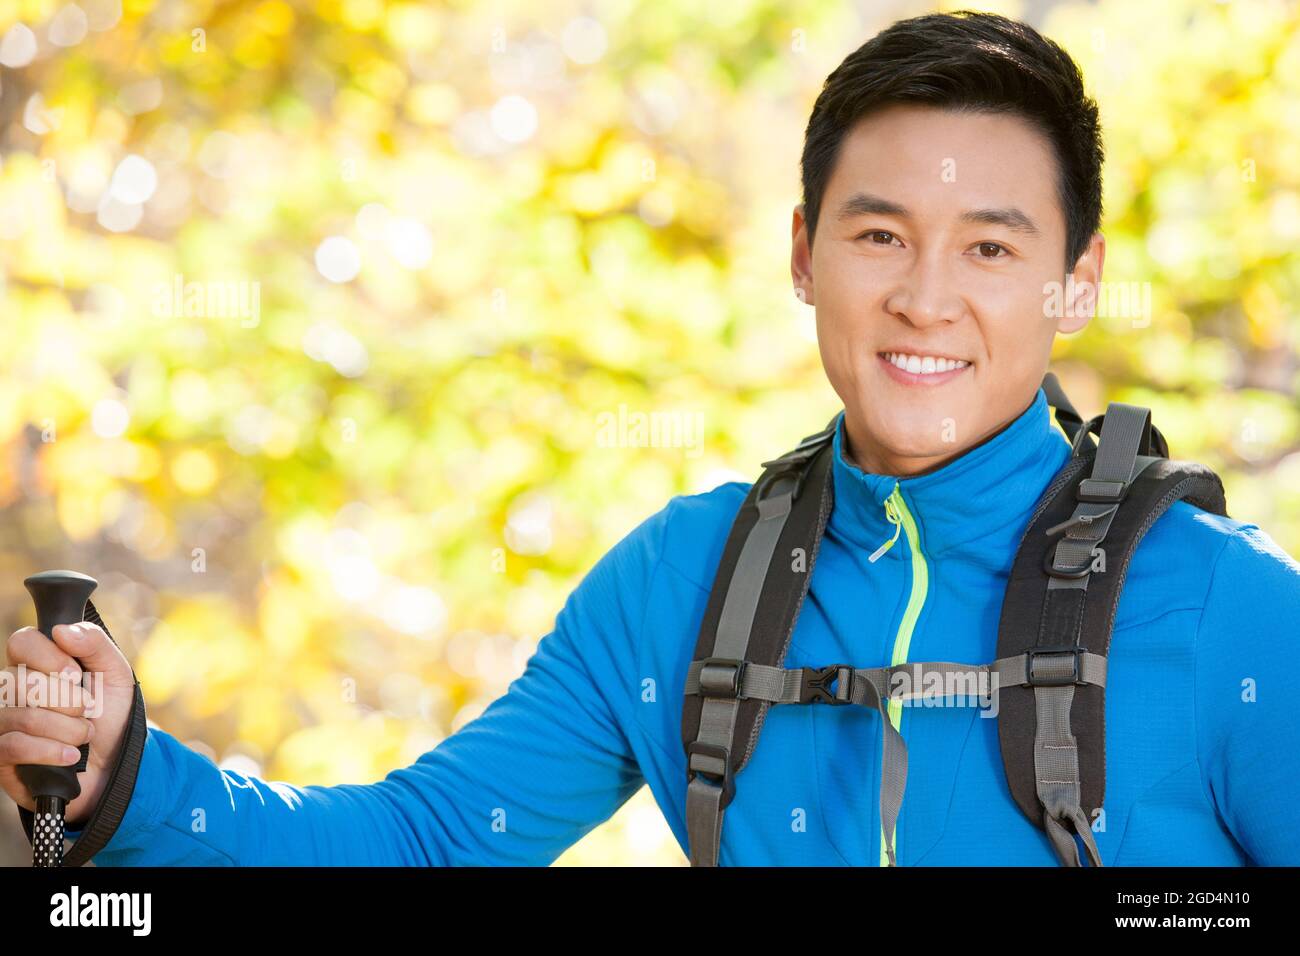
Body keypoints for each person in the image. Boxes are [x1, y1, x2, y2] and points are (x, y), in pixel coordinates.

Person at [3, 10, 1299, 866]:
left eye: (992, 249)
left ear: (1077, 282)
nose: (924, 299)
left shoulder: (1233, 612)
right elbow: (428, 841)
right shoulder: (683, 584)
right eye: (879, 234)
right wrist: (131, 775)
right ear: (804, 254)